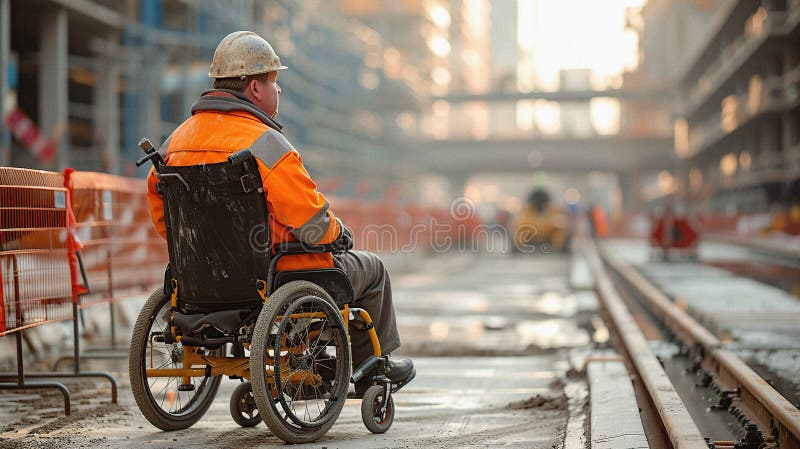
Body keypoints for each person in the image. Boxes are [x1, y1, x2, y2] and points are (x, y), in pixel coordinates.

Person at [145, 31, 414, 396]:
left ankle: (316, 368)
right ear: (255, 87)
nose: (279, 91)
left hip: (200, 278)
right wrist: (336, 233)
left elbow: (165, 215)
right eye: (275, 82)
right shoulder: (265, 143)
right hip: (278, 275)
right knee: (373, 270)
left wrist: (204, 250)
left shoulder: (174, 143)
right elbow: (308, 220)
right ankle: (371, 372)